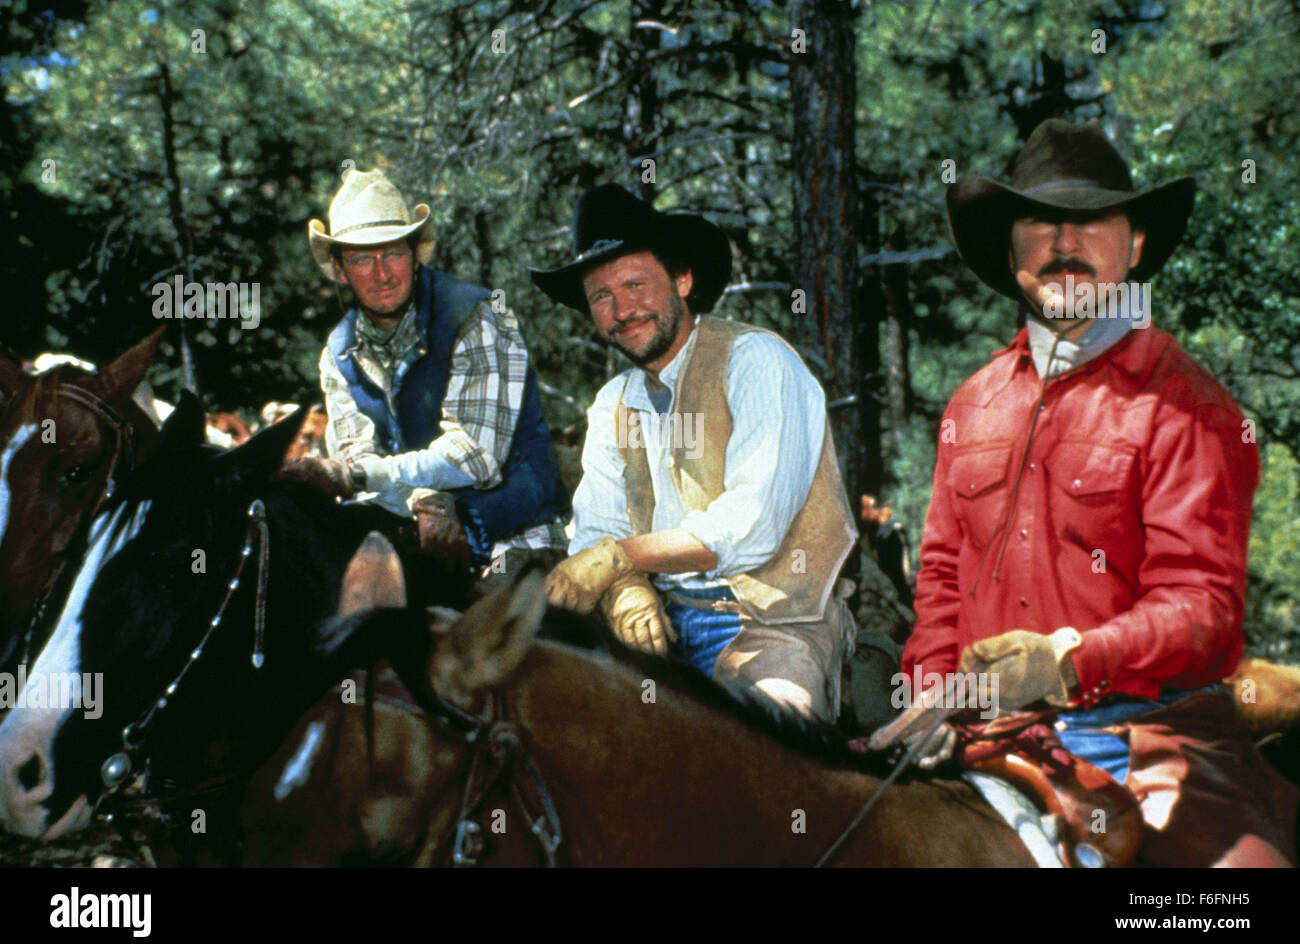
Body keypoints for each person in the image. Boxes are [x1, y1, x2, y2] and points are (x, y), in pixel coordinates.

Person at [903, 118, 1297, 865]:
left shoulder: (1188, 404)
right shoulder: (971, 404)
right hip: (986, 732)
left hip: (1146, 733)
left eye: (1089, 221)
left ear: (1136, 244)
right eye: (1040, 222)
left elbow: (1204, 607)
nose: (1062, 243)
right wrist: (929, 693)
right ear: (1011, 247)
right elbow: (942, 579)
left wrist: (1067, 656)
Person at [531, 184, 858, 722]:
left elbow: (751, 525)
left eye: (636, 284)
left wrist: (620, 558)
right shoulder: (615, 403)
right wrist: (628, 591)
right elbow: (595, 529)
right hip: (661, 626)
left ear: (683, 281)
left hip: (774, 623)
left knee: (770, 739)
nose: (622, 310)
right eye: (601, 297)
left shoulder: (756, 361)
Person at [293, 168, 569, 577]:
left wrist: (360, 476)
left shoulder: (478, 317)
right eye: (362, 259)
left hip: (514, 537)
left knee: (488, 636)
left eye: (394, 253)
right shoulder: (339, 353)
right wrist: (419, 499)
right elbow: (359, 458)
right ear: (338, 269)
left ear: (415, 253)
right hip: (416, 542)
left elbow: (475, 457)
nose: (382, 273)